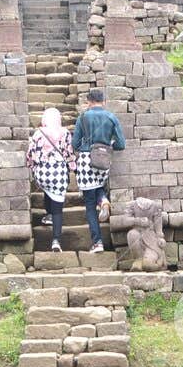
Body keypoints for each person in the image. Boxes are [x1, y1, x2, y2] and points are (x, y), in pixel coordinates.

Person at [71, 89, 125, 253]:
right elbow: (121, 144)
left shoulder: (83, 117)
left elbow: (75, 144)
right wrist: (108, 145)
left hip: (86, 160)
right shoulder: (111, 117)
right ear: (103, 101)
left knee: (89, 204)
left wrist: (85, 147)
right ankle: (103, 201)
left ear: (89, 101)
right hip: (103, 160)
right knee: (99, 187)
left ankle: (97, 242)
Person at [27, 108, 75, 252]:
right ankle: (56, 241)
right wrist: (72, 167)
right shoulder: (65, 133)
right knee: (57, 209)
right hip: (59, 174)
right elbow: (69, 153)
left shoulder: (38, 133)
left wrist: (32, 167)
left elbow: (31, 153)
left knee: (48, 187)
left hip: (43, 173)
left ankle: (48, 214)